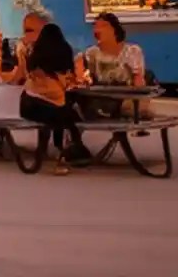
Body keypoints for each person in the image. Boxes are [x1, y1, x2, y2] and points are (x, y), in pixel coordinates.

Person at [20, 23, 92, 174]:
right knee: (66, 114)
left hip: (28, 105)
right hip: (53, 105)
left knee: (61, 114)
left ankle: (57, 153)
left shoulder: (35, 57)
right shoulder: (64, 55)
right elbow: (69, 82)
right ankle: (65, 152)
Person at [76, 12, 150, 118]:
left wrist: (138, 98)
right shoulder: (92, 53)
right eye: (95, 27)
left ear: (115, 30)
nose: (97, 30)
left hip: (124, 96)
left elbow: (138, 79)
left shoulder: (132, 51)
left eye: (103, 26)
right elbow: (82, 74)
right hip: (101, 96)